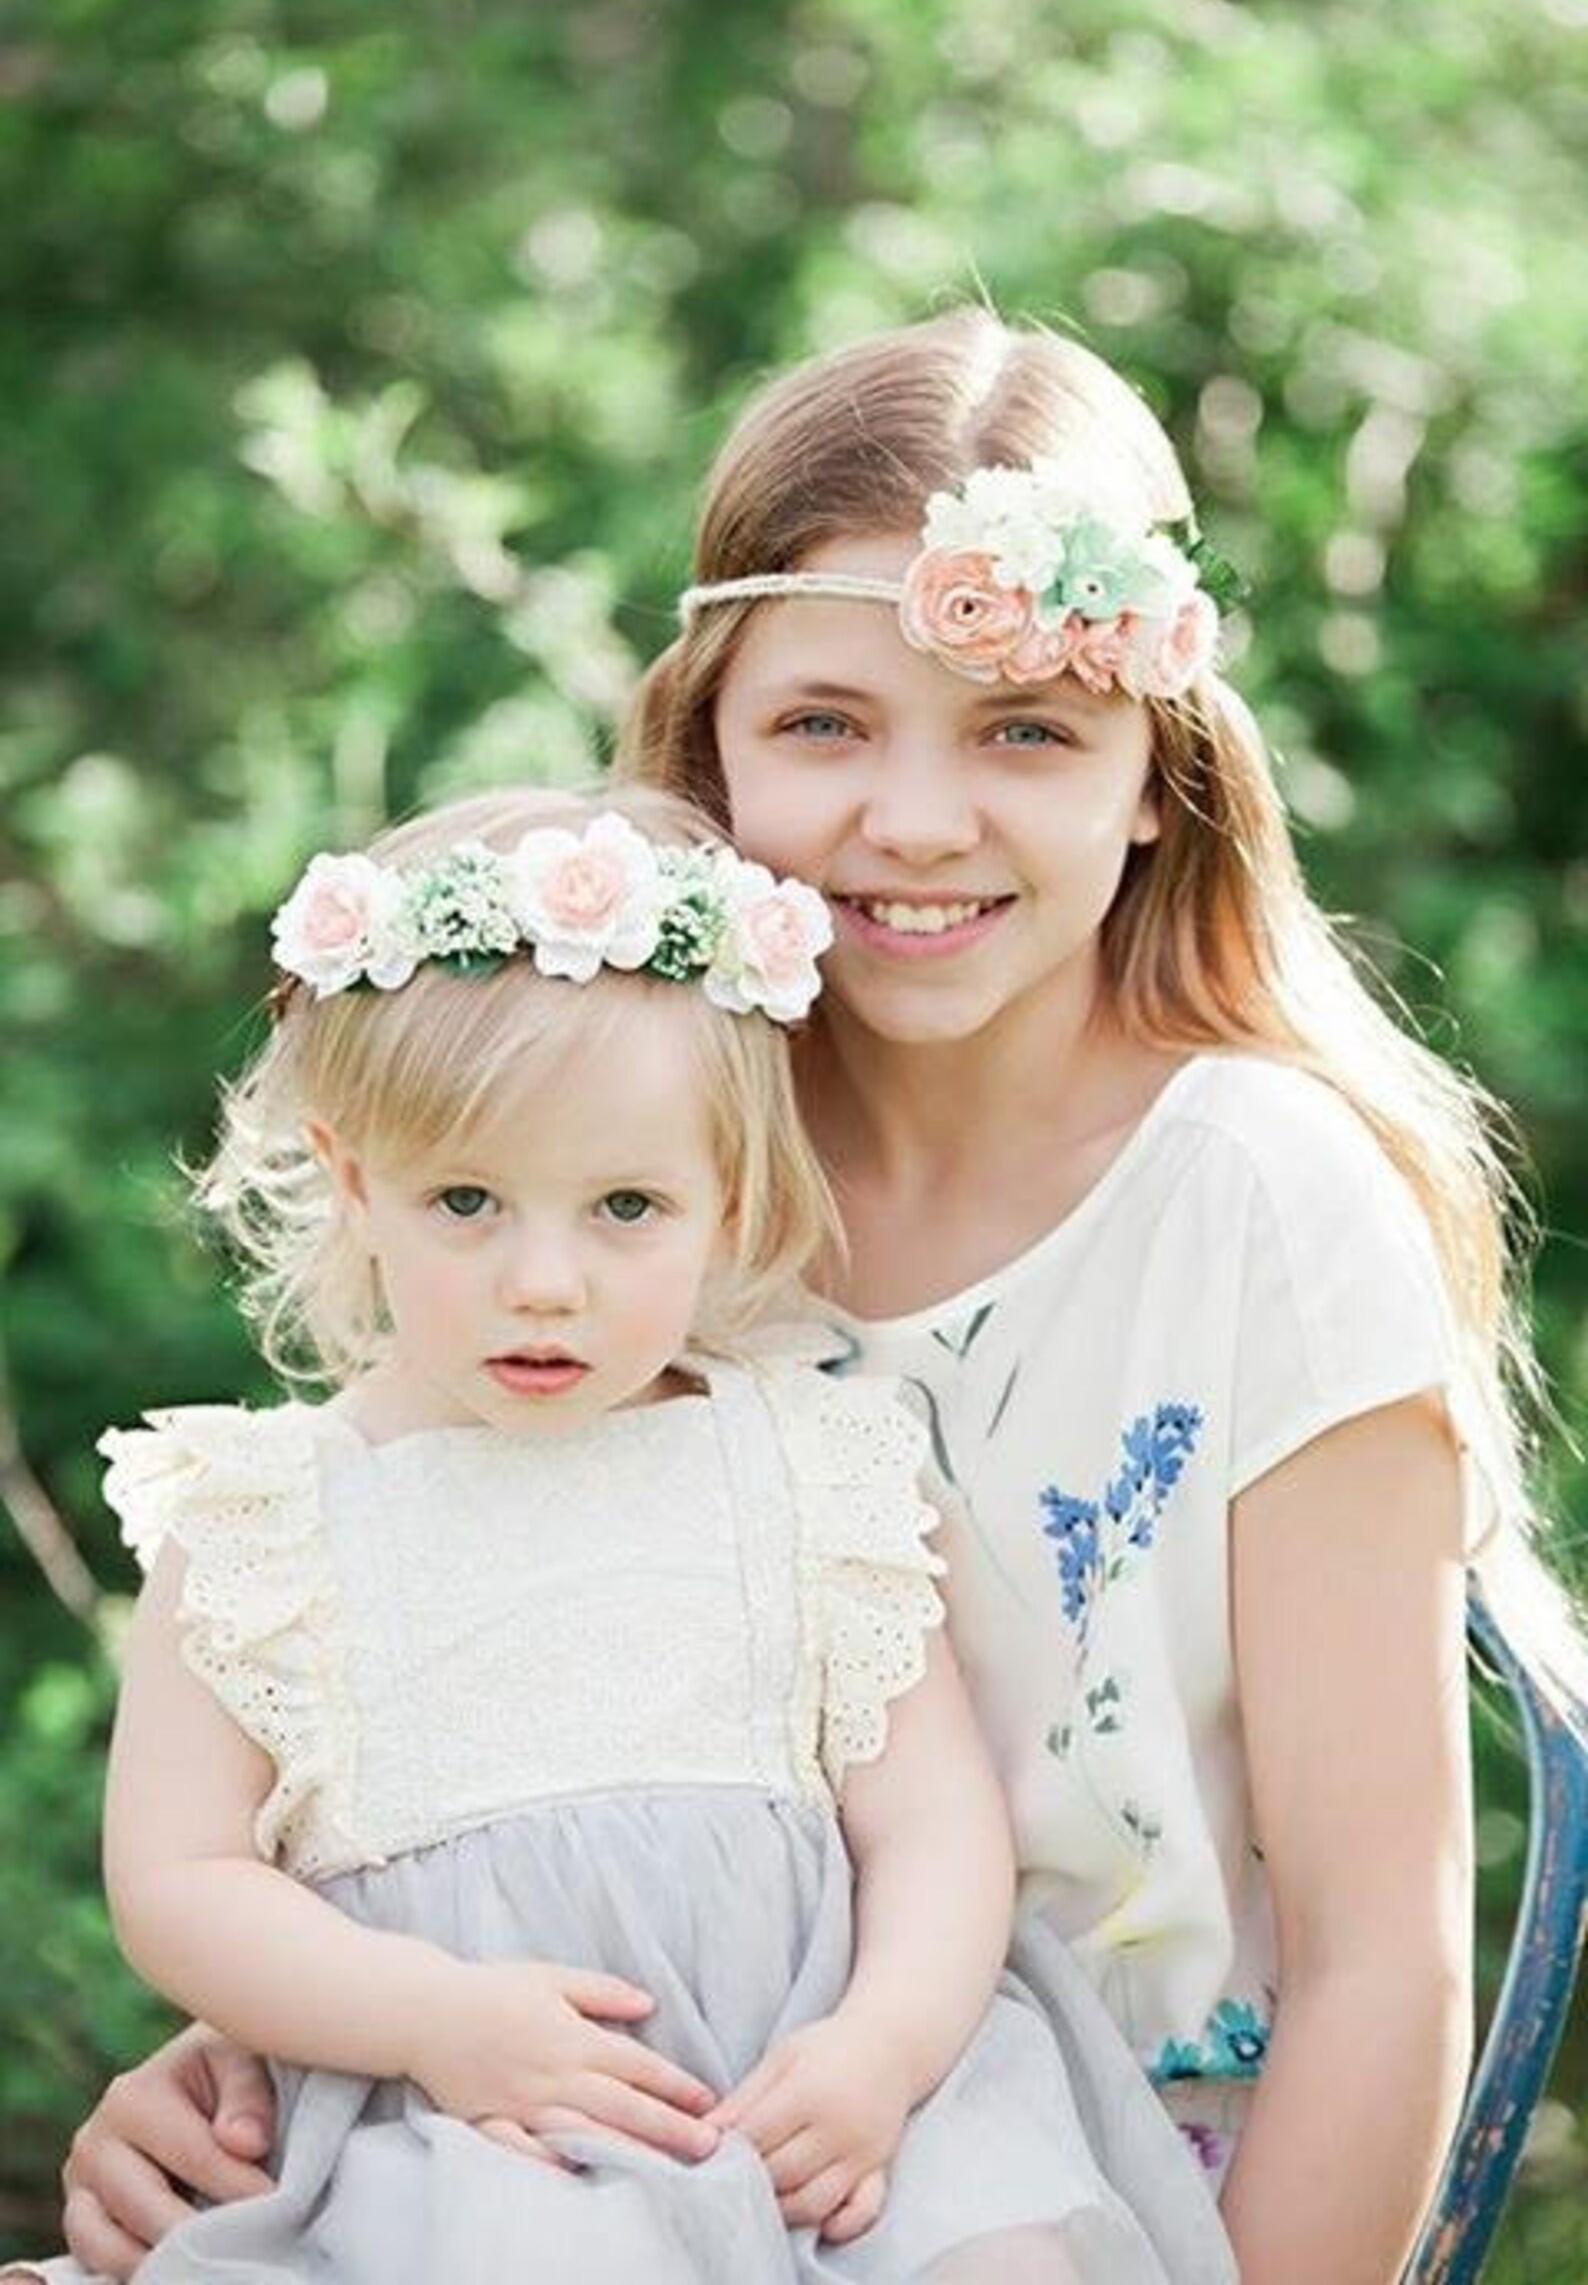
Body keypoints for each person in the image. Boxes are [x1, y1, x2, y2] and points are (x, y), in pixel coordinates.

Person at [41, 309, 1586, 2285]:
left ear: (1151, 778)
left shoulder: (1257, 1204)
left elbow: (1383, 1952)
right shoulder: (609, 1179)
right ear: (710, 752)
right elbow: (491, 1726)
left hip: (1051, 2184)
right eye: (823, 725)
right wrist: (266, 2055)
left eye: (1024, 728)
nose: (917, 821)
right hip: (618, 2160)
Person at [8, 784, 1240, 2285]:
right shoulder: (268, 1524)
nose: (545, 1279)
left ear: (727, 1198)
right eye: (466, 1198)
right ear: (352, 1183)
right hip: (485, 2135)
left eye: (626, 1207)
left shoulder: (808, 1469)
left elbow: (928, 1821)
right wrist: (421, 2016)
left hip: (825, 2094)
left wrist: (883, 2042)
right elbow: (183, 1877)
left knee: (1002, 2259)